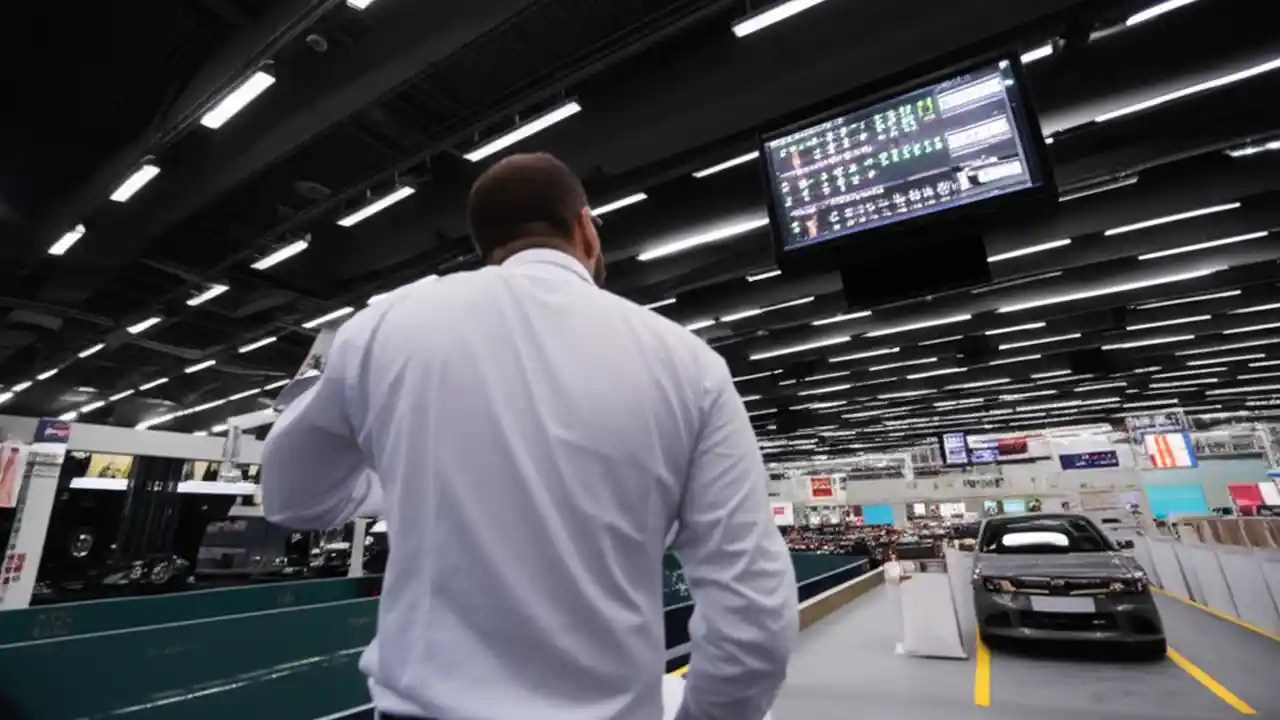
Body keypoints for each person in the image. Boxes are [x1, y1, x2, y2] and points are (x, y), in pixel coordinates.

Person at [261, 152, 797, 720]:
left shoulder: (386, 326)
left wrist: (408, 481)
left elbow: (292, 497)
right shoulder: (690, 364)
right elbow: (753, 614)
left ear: (483, 244)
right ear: (586, 228)